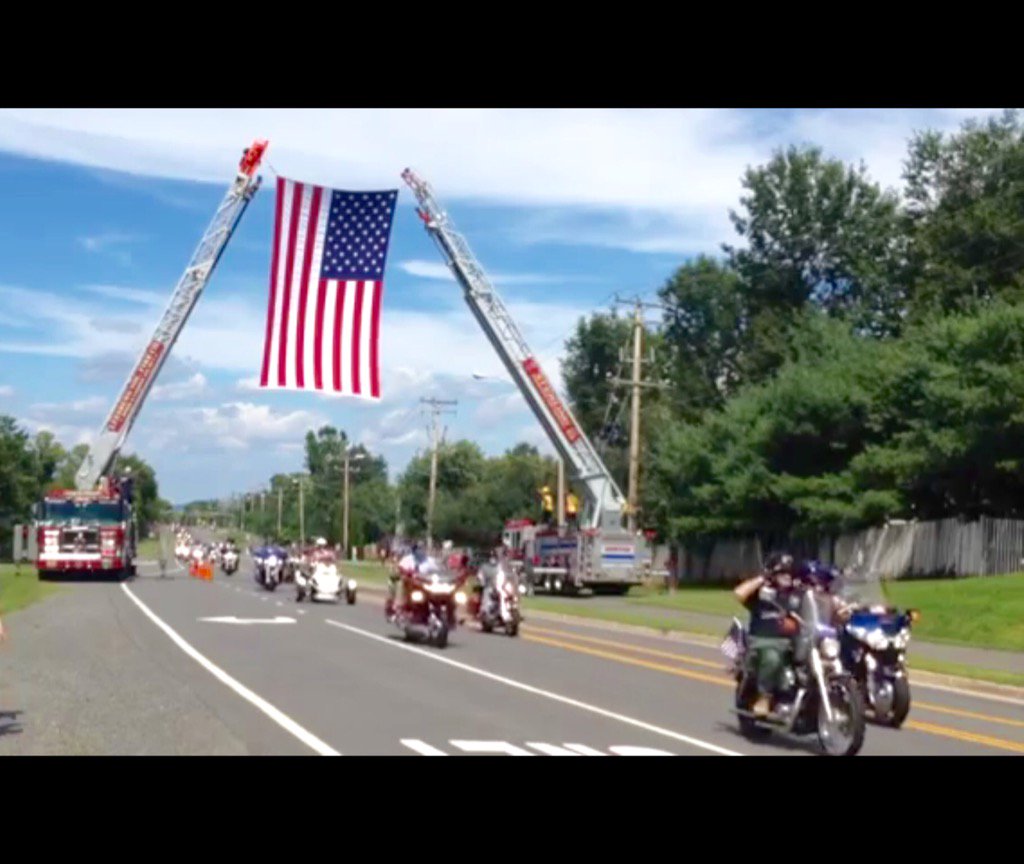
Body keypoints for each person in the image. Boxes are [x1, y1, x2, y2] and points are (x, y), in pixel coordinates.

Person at [733, 552, 798, 717]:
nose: (787, 576)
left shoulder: (795, 594)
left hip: (791, 642)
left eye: (789, 572)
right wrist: (762, 578)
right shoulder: (761, 593)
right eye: (782, 572)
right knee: (772, 658)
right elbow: (738, 594)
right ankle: (764, 696)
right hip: (763, 641)